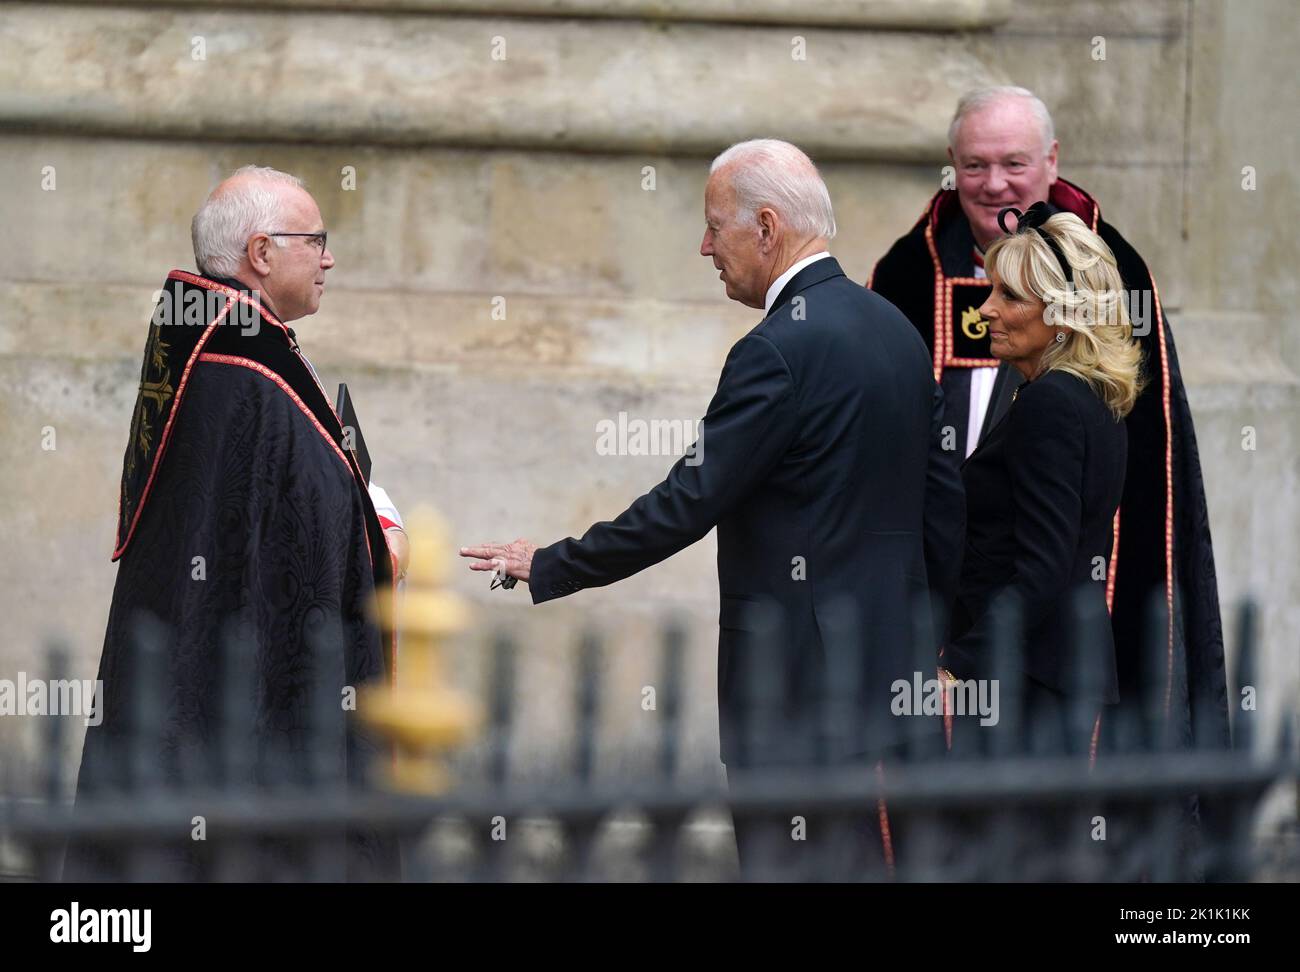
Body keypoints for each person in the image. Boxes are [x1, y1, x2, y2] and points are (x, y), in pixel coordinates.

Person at [462, 139, 965, 876]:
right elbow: (944, 509)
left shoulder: (775, 351)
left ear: (765, 227)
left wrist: (552, 563)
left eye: (714, 227)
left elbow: (687, 502)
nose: (705, 247)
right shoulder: (897, 330)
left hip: (795, 687)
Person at [868, 86, 1229, 756]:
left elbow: (1043, 564)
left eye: (1013, 162)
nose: (994, 182)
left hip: (1028, 666)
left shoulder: (1059, 389)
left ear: (1052, 161)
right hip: (1006, 635)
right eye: (974, 165)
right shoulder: (905, 276)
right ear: (952, 164)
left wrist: (959, 664)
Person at [66, 166, 400, 881]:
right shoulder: (243, 375)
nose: (329, 257)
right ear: (261, 252)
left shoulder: (220, 351)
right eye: (317, 240)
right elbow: (310, 533)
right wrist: (380, 528)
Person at [945, 203, 1141, 758]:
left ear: (1062, 313)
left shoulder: (1051, 403)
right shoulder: (1090, 396)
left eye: (1009, 296)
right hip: (1056, 672)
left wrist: (960, 663)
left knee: (1001, 843)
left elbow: (1044, 565)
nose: (985, 311)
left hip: (1027, 681)